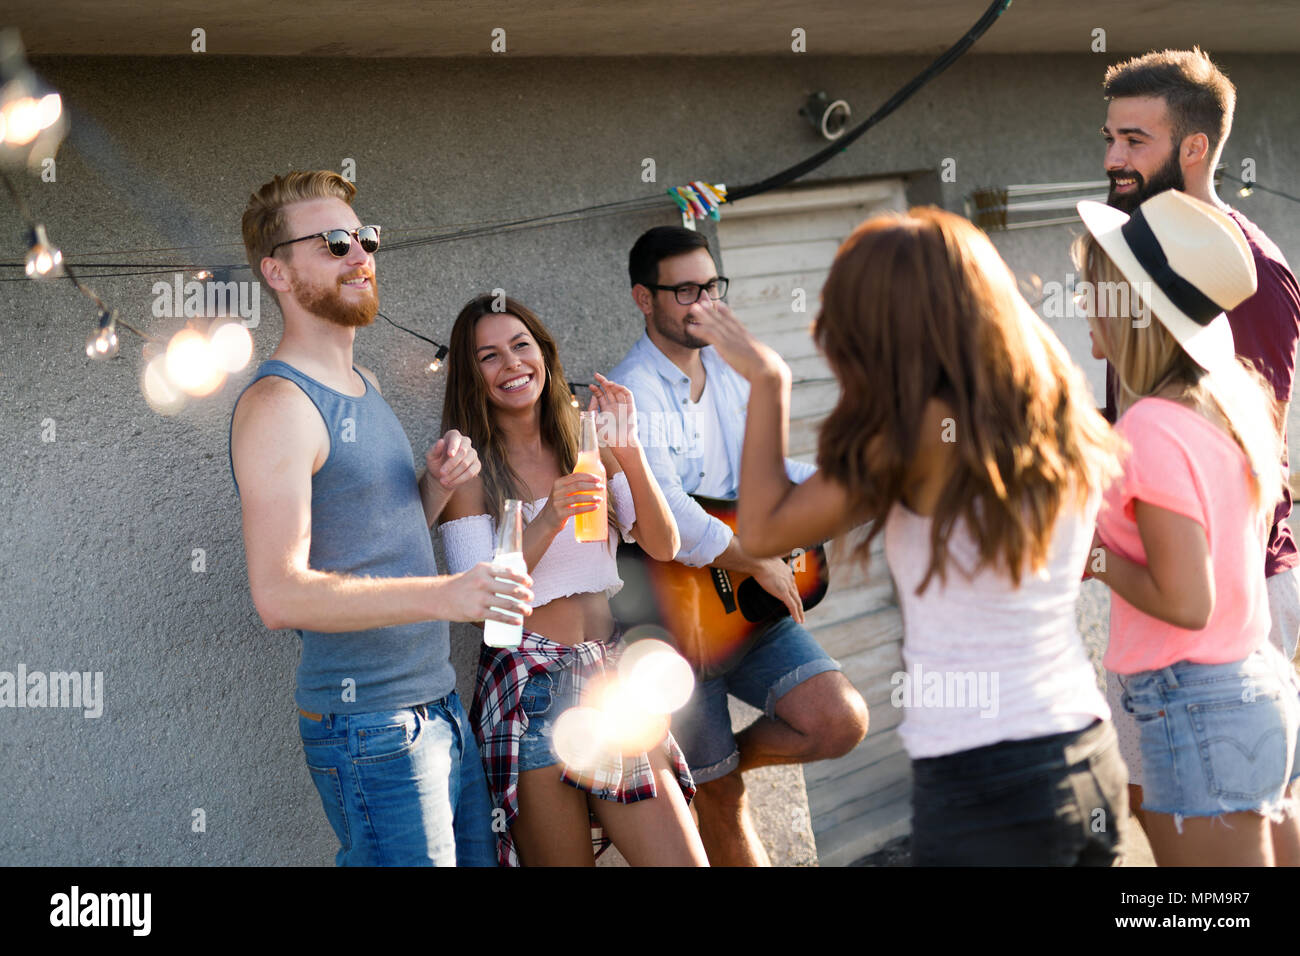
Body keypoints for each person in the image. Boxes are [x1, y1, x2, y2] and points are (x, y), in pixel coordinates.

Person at [690, 206, 1132, 865]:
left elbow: (760, 528)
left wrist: (768, 381)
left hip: (985, 779)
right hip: (1082, 750)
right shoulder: (1048, 396)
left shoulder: (922, 434)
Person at [229, 171, 533, 866]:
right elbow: (279, 596)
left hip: (437, 708)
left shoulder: (361, 387)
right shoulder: (280, 404)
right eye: (334, 243)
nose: (360, 255)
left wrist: (434, 485)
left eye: (364, 239)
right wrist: (448, 594)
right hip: (371, 726)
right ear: (277, 271)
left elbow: (369, 545)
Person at [609, 226, 870, 866]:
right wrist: (756, 558)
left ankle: (725, 766)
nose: (704, 304)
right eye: (686, 290)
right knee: (721, 809)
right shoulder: (629, 390)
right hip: (669, 623)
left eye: (712, 286)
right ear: (645, 299)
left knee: (839, 720)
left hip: (749, 612)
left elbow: (772, 474)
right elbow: (668, 516)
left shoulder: (732, 374)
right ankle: (714, 779)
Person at [438, 293, 708, 867]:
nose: (511, 364)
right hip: (529, 690)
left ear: (544, 354)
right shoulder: (469, 471)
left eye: (520, 346)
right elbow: (481, 604)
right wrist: (550, 516)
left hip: (609, 678)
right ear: (471, 376)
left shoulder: (584, 443)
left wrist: (629, 453)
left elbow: (665, 545)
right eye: (488, 356)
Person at [1076, 189, 1300, 866]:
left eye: (1095, 292)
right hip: (1251, 685)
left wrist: (1093, 558)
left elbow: (1185, 600)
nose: (1085, 305)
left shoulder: (1149, 427)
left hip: (1194, 702)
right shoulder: (1224, 404)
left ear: (1131, 312)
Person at [1098, 47, 1300, 663]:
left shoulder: (1251, 274)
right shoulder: (1142, 256)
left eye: (1135, 141)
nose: (1113, 160)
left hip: (1235, 591)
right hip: (1159, 582)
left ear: (1194, 149)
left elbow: (1256, 452)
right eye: (1110, 138)